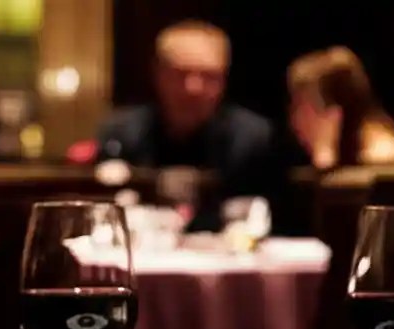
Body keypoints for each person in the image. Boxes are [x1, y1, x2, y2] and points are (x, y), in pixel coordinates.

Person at [95, 21, 278, 230]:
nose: (193, 88)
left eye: (209, 76)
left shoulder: (254, 138)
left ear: (224, 79)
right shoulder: (120, 132)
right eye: (180, 74)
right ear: (157, 73)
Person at [287, 46, 394, 170]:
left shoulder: (381, 153)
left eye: (303, 108)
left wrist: (324, 154)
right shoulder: (339, 150)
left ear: (334, 112)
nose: (295, 119)